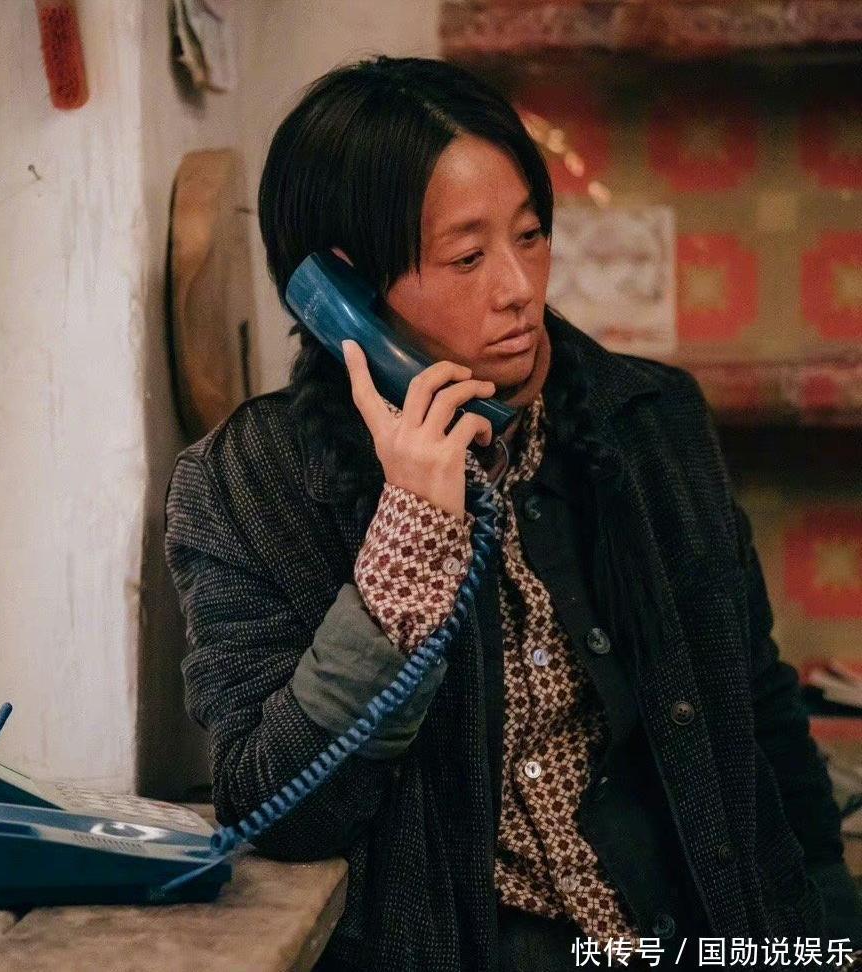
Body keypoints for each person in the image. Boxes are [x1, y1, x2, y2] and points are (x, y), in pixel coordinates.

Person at [163, 56, 862, 972]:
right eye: (467, 257)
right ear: (343, 293)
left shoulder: (650, 425)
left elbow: (758, 716)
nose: (519, 288)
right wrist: (408, 547)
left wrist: (828, 941)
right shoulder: (249, 489)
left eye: (530, 237)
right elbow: (280, 811)